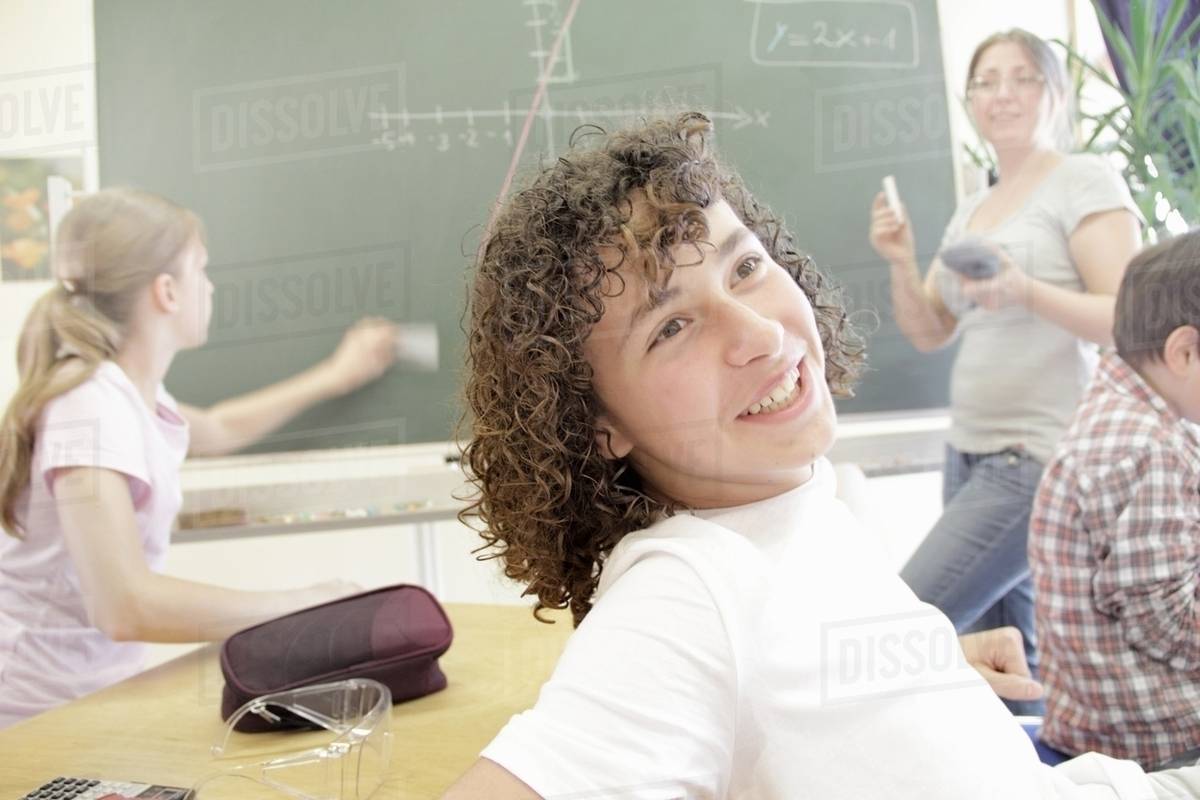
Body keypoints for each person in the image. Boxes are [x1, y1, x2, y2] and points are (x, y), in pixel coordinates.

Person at [441, 113, 1199, 798]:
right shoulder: (687, 591)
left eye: (744, 269)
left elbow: (777, 665)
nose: (762, 334)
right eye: (670, 328)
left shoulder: (788, 504)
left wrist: (902, 663)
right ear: (595, 424)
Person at [0, 188, 398, 727]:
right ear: (166, 291)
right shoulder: (87, 406)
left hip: (87, 698)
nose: (209, 287)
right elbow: (123, 605)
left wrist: (336, 375)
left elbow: (217, 426)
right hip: (34, 717)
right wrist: (302, 604)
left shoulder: (126, 394)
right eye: (201, 270)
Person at [867, 28, 1143, 712]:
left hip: (1035, 458)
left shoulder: (1084, 180)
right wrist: (901, 260)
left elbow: (1130, 320)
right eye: (986, 81)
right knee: (1006, 665)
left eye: (1022, 77)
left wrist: (1026, 291)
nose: (1003, 93)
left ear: (1054, 91)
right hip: (967, 456)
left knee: (904, 623)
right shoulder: (972, 208)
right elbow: (931, 329)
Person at [1030, 230, 1200, 770]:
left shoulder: (1131, 418)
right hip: (1155, 740)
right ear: (1184, 351)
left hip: (1112, 720)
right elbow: (1166, 620)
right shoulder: (1146, 447)